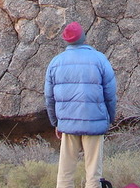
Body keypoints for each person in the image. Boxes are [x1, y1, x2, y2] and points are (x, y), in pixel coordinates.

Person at [45, 22, 117, 188]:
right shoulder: (99, 59)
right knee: (93, 174)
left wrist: (56, 123)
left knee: (65, 173)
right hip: (95, 121)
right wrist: (109, 118)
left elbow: (49, 97)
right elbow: (110, 94)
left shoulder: (56, 62)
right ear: (83, 37)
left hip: (68, 125)